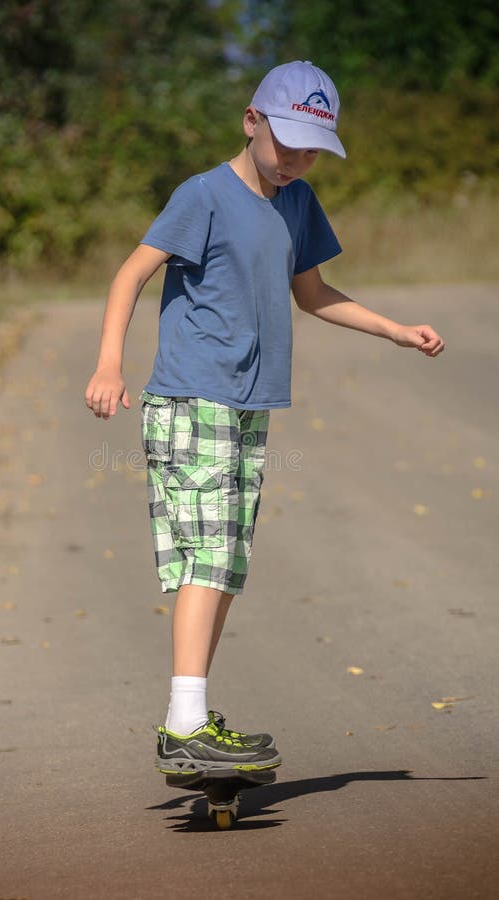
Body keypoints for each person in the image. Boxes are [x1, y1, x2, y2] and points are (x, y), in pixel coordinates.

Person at [84, 60, 445, 774]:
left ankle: (187, 718)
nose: (297, 160)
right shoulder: (203, 196)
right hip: (193, 397)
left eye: (313, 149)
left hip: (250, 405)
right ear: (252, 121)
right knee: (210, 559)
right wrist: (107, 365)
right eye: (288, 143)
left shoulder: (298, 201)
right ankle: (185, 722)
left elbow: (312, 295)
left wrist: (393, 329)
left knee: (227, 564)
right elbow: (132, 273)